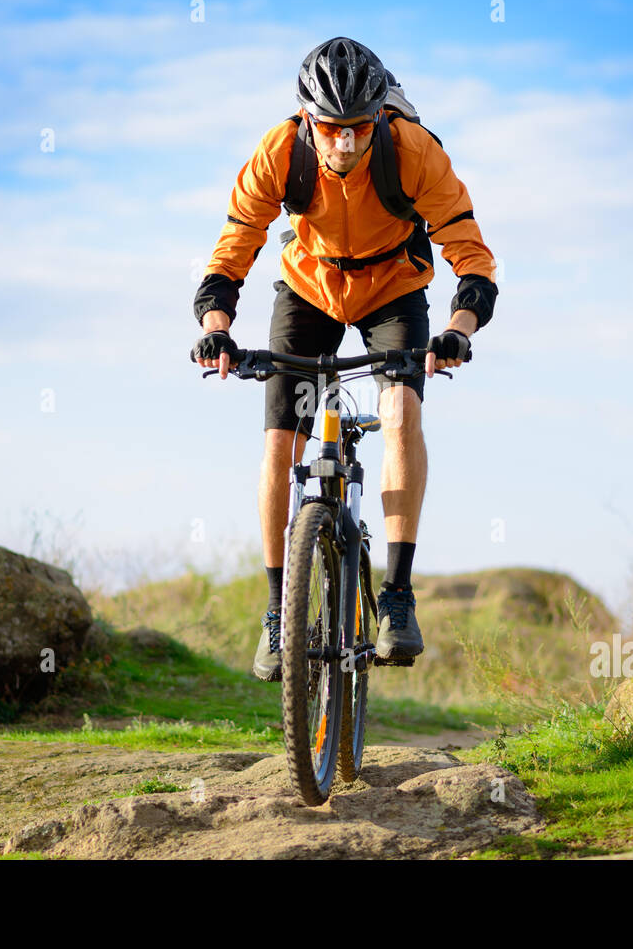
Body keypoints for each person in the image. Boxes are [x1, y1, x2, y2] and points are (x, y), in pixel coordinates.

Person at [190, 37, 498, 681]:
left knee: (401, 409)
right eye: (331, 130)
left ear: (378, 118)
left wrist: (458, 330)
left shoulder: (413, 150)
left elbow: (470, 253)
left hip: (394, 291)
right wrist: (218, 328)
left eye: (359, 129)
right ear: (307, 120)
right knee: (281, 439)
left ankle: (397, 595)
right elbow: (233, 247)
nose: (346, 144)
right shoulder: (280, 152)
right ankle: (278, 613)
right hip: (308, 291)